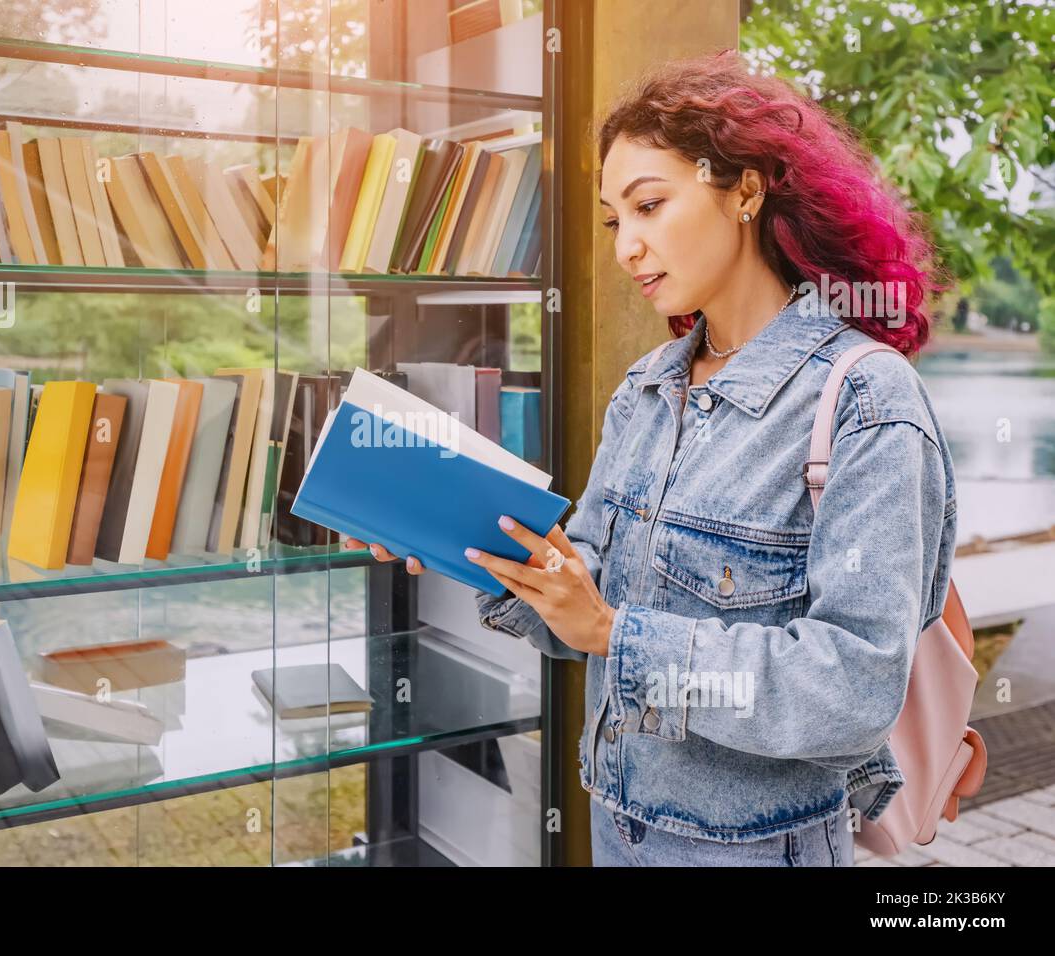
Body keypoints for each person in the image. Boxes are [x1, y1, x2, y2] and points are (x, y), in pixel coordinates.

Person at [345, 49, 956, 866]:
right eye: (614, 221)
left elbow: (850, 688)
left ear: (744, 189)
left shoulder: (866, 402)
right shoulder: (647, 387)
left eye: (650, 206)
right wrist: (458, 545)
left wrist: (616, 636)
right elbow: (588, 600)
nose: (627, 246)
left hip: (755, 849)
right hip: (620, 823)